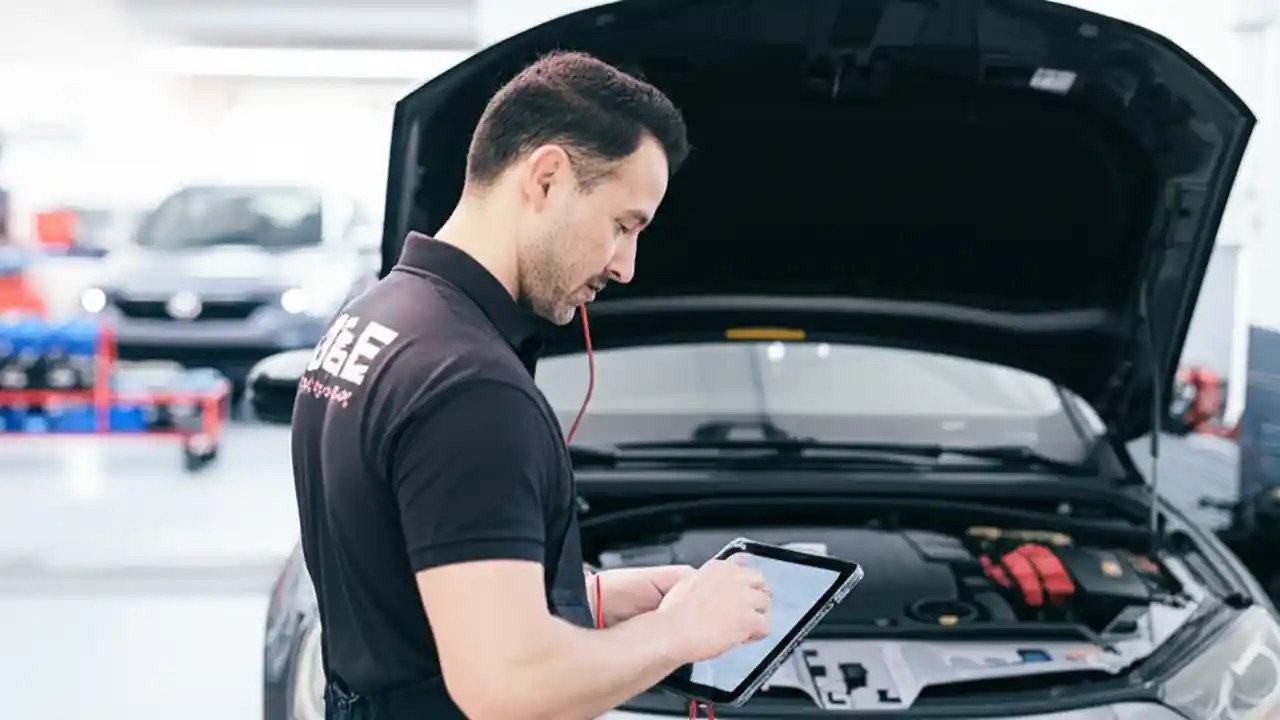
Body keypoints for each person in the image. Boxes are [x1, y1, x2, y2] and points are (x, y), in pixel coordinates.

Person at [291, 50, 773, 720]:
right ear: (546, 177)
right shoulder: (471, 389)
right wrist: (677, 634)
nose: (626, 265)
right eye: (622, 224)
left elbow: (407, 579)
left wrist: (591, 601)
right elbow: (506, 686)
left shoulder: (376, 321)